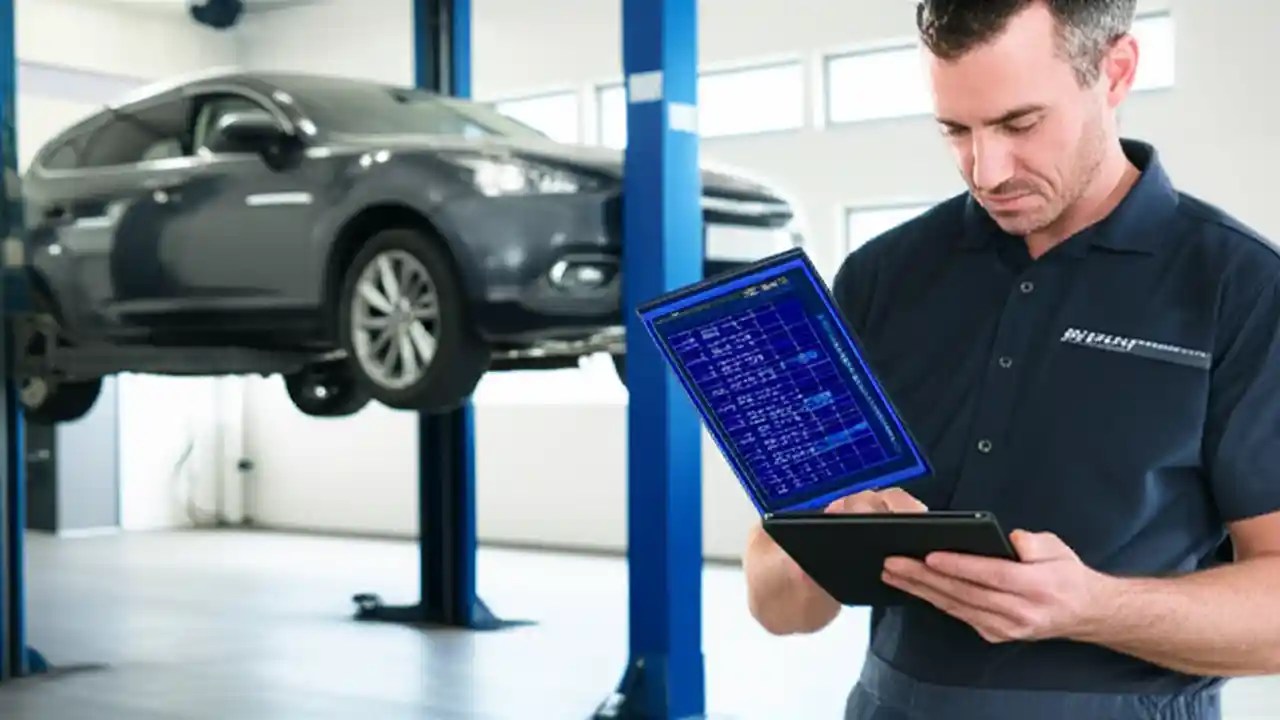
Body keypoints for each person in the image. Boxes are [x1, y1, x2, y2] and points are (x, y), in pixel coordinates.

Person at [742, 1, 1280, 718]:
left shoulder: (1239, 288)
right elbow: (778, 608)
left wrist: (1095, 607)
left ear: (1116, 71)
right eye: (955, 130)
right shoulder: (880, 278)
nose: (987, 170)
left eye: (1020, 124)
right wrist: (822, 542)